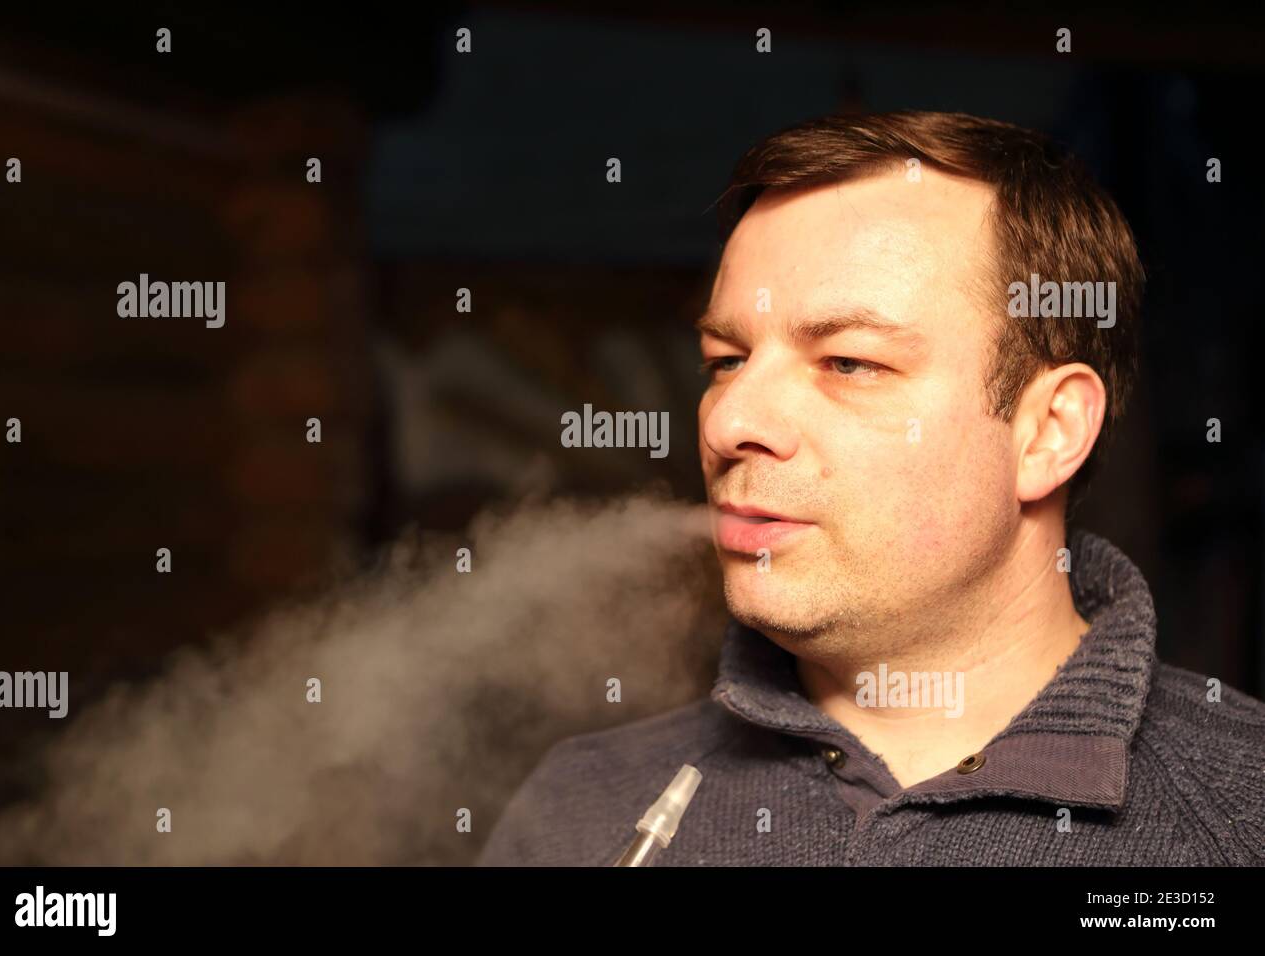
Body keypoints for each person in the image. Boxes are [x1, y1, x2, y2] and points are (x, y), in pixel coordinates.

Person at [477, 111, 1265, 866]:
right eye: (725, 360)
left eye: (849, 362)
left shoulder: (1241, 811)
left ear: (1048, 431)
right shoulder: (577, 805)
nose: (729, 422)